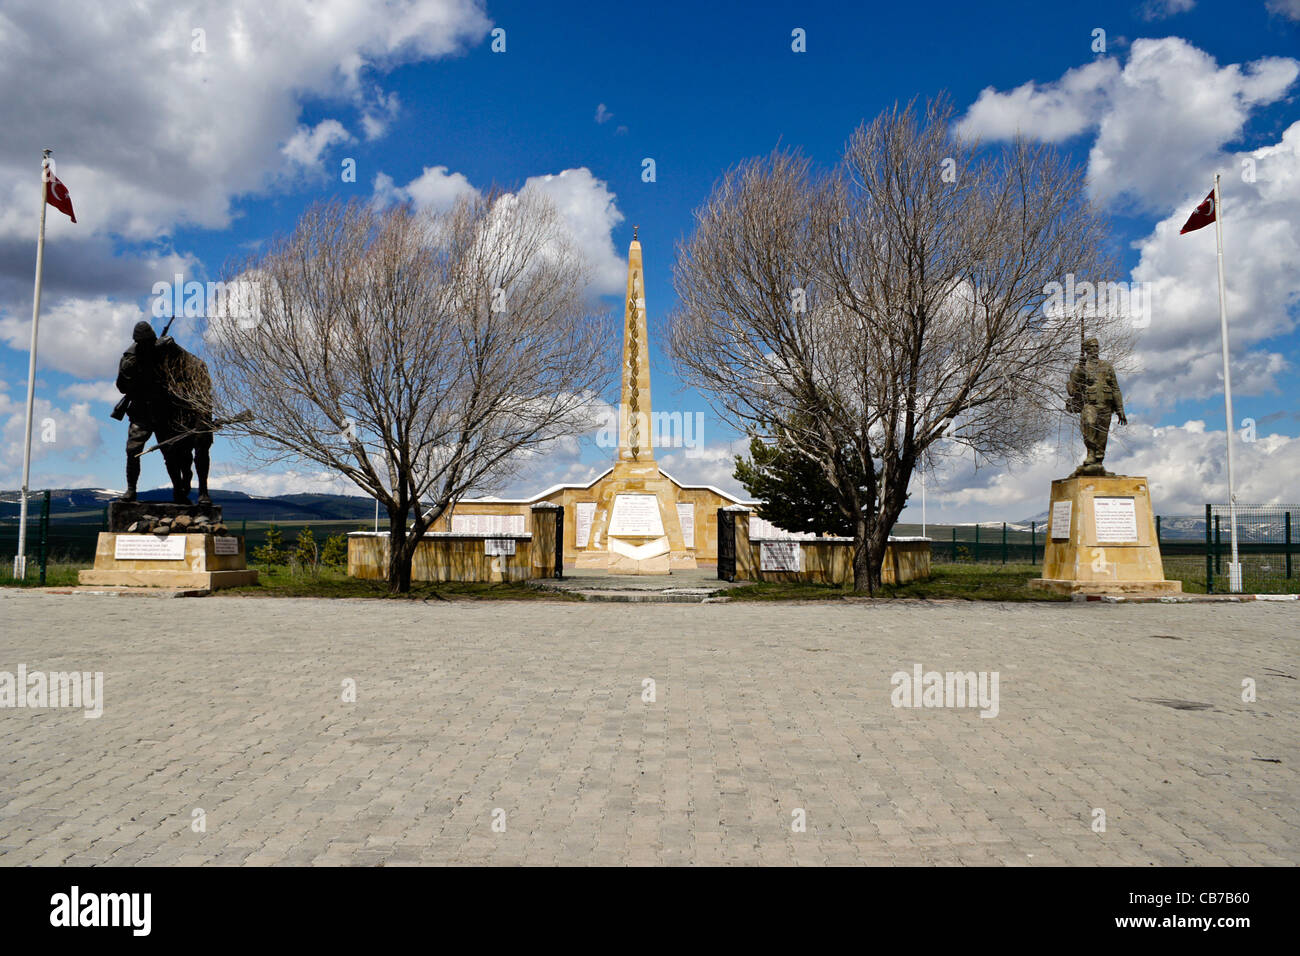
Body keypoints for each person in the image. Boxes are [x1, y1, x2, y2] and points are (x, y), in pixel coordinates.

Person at [113, 321, 174, 501]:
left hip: (163, 410)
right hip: (141, 411)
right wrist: (133, 373)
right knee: (132, 450)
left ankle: (179, 490)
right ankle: (131, 489)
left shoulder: (161, 349)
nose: (150, 343)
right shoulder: (129, 358)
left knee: (171, 452)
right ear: (140, 342)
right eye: (146, 341)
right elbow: (121, 387)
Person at [1066, 337, 1126, 476]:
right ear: (1086, 349)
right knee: (1089, 424)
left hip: (1106, 405)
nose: (1095, 349)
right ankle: (1091, 454)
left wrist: (1120, 409)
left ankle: (1098, 462)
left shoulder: (1107, 366)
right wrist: (1078, 372)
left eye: (1096, 346)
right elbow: (1072, 389)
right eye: (1092, 347)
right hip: (1089, 405)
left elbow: (1115, 388)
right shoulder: (1080, 367)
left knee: (1102, 436)